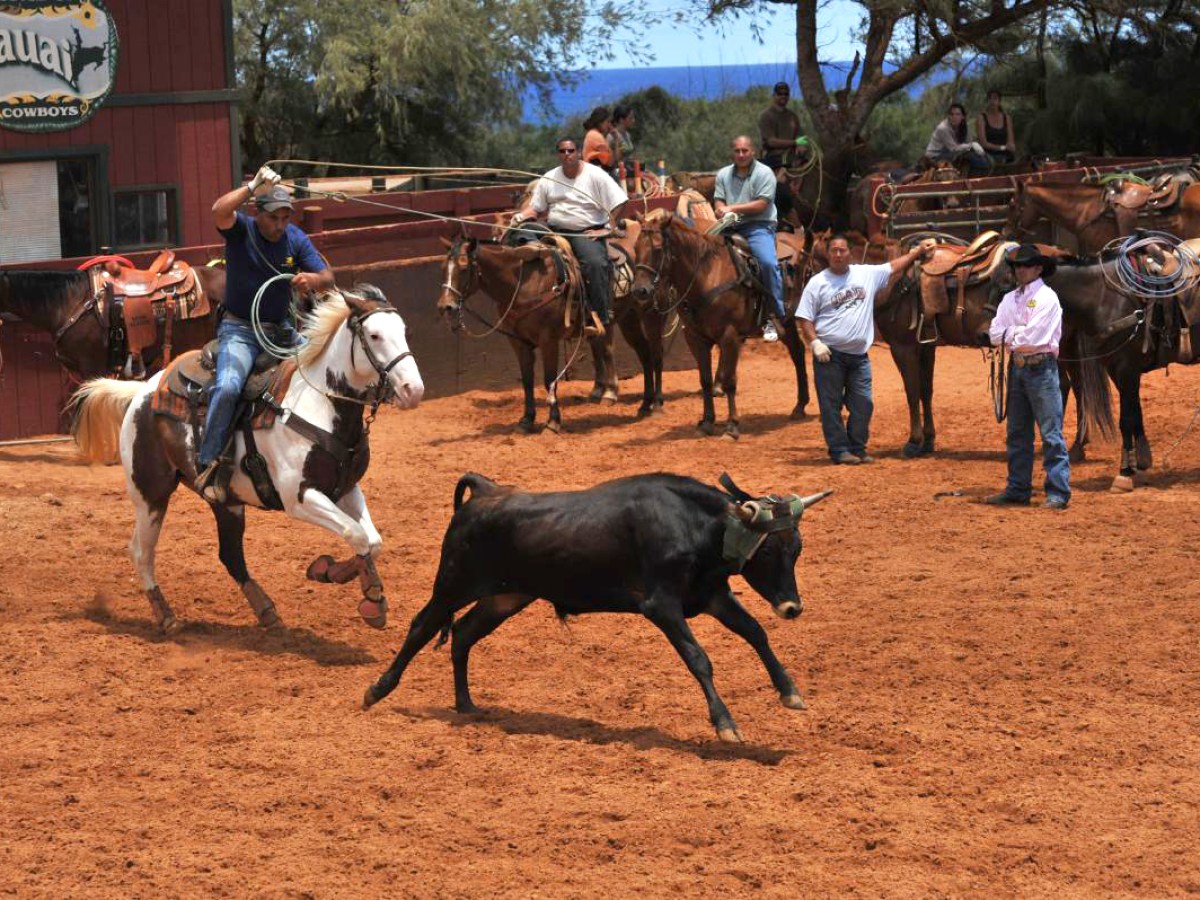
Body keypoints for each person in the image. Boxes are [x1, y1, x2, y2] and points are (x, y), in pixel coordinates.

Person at [195, 166, 334, 503]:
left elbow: (328, 276)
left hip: (281, 331)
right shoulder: (241, 230)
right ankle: (210, 462)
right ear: (259, 214)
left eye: (286, 217)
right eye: (275, 217)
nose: (281, 224)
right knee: (228, 386)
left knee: (322, 371)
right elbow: (218, 210)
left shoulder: (295, 239)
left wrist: (312, 281)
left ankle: (322, 448)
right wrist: (252, 186)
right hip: (240, 330)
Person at [797, 234, 935, 464]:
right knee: (831, 406)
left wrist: (917, 252)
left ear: (850, 254)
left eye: (842, 251)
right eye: (834, 251)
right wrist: (814, 343)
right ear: (829, 254)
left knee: (864, 403)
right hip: (829, 355)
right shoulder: (817, 283)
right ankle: (840, 450)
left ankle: (858, 447)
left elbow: (893, 267)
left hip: (859, 357)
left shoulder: (865, 274)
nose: (838, 255)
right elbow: (804, 318)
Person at [510, 137, 629, 335]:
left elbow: (621, 201)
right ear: (558, 154)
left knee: (595, 263)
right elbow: (536, 208)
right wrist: (520, 216)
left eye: (571, 150)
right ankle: (532, 246)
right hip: (555, 228)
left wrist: (608, 227)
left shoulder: (595, 175)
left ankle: (599, 316)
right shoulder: (549, 177)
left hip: (585, 232)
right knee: (525, 229)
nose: (567, 155)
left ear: (579, 152)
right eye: (563, 151)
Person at [984, 244, 1070, 509]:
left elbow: (1032, 338)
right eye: (1017, 266)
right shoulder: (1011, 299)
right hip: (1020, 367)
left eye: (1026, 265)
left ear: (1038, 268)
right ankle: (1019, 488)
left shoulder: (1047, 298)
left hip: (1040, 367)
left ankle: (1057, 492)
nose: (1020, 270)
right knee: (1017, 431)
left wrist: (1011, 333)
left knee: (1050, 432)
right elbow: (993, 333)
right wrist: (1016, 333)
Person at [713, 135, 785, 342]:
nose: (741, 155)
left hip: (758, 226)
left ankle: (774, 314)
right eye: (737, 151)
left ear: (753, 152)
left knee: (768, 263)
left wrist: (730, 208)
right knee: (702, 253)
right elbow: (718, 198)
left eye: (745, 151)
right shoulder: (724, 174)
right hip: (729, 225)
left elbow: (762, 204)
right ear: (732, 153)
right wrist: (719, 209)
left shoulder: (765, 173)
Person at [757, 81, 806, 226]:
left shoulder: (792, 116)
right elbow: (771, 141)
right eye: (780, 94)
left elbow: (801, 137)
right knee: (777, 188)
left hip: (793, 159)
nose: (783, 97)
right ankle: (780, 217)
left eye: (786, 94)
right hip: (775, 159)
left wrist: (802, 145)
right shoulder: (766, 116)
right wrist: (794, 143)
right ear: (774, 95)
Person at [924, 103, 990, 173]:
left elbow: (968, 142)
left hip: (950, 155)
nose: (954, 117)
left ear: (963, 116)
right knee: (969, 156)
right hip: (935, 158)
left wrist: (976, 149)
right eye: (951, 114)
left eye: (957, 114)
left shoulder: (963, 127)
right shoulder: (943, 128)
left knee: (976, 156)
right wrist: (972, 145)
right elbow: (953, 149)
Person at [975, 89, 1017, 165]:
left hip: (1005, 154)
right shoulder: (981, 118)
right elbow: (983, 143)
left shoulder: (1006, 118)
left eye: (995, 98)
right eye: (990, 99)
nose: (992, 101)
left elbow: (1011, 141)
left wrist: (1011, 146)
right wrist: (1002, 147)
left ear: (999, 101)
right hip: (988, 156)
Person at [608, 105, 635, 182]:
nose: (633, 121)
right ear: (621, 120)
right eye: (630, 118)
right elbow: (615, 161)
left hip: (628, 169)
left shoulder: (627, 135)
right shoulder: (611, 137)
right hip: (617, 173)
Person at [582, 106, 614, 172]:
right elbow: (609, 163)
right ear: (600, 122)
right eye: (607, 122)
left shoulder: (592, 134)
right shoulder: (596, 136)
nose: (609, 125)